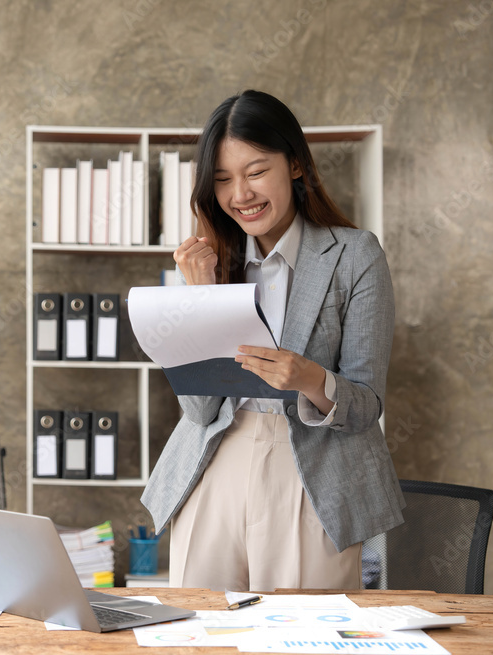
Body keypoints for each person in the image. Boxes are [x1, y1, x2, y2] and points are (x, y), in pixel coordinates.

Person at [140, 90, 405, 591]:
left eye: (256, 171)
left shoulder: (355, 256)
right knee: (202, 632)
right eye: (222, 180)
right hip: (214, 459)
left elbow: (366, 407)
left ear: (296, 165)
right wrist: (201, 300)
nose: (240, 194)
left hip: (312, 468)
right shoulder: (209, 262)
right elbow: (199, 409)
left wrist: (309, 378)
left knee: (302, 633)